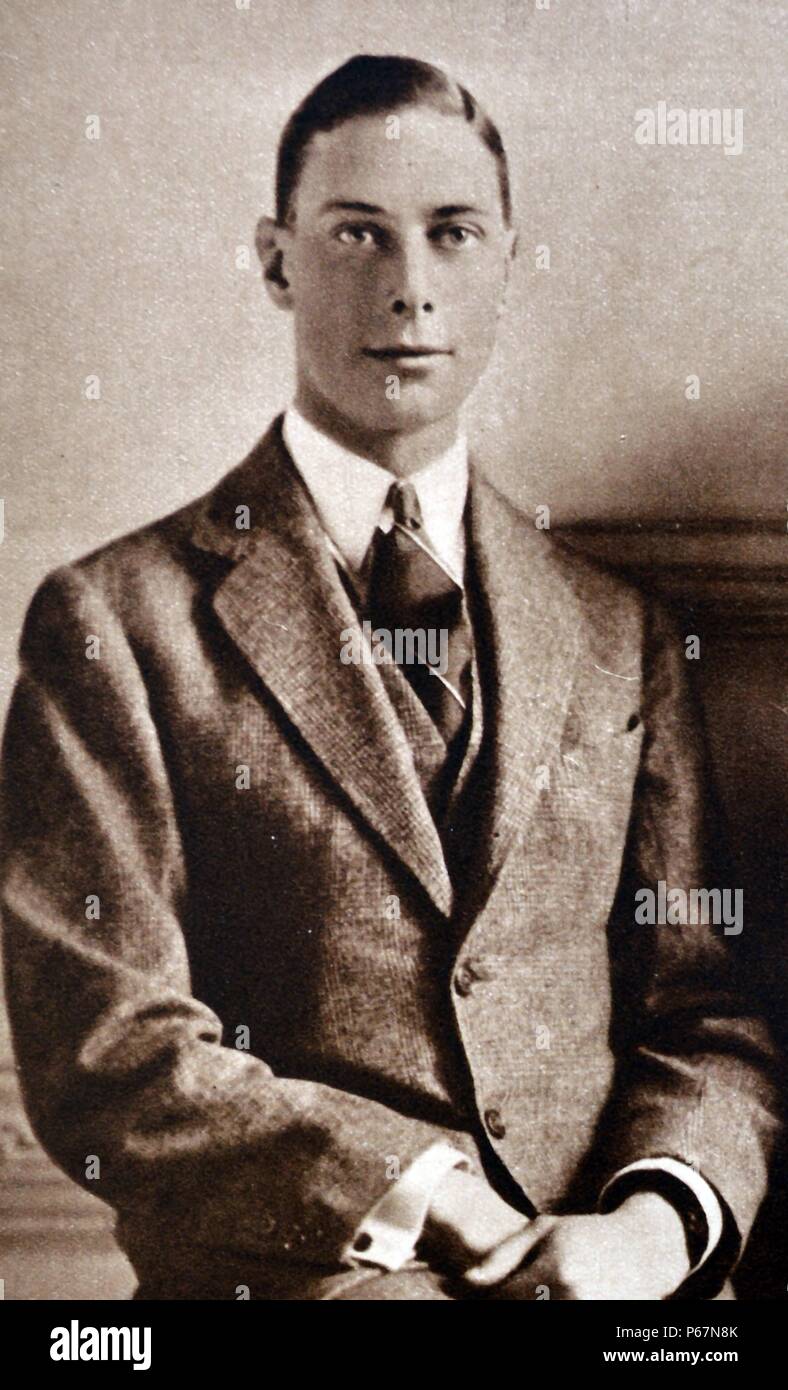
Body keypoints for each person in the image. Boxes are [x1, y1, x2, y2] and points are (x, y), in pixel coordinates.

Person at [0, 54, 778, 1301]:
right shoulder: (115, 622)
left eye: (450, 234)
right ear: (274, 260)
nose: (408, 288)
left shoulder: (617, 631)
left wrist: (649, 1227)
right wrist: (427, 1196)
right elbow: (105, 1049)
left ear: (508, 266)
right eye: (356, 233)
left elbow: (708, 1009)